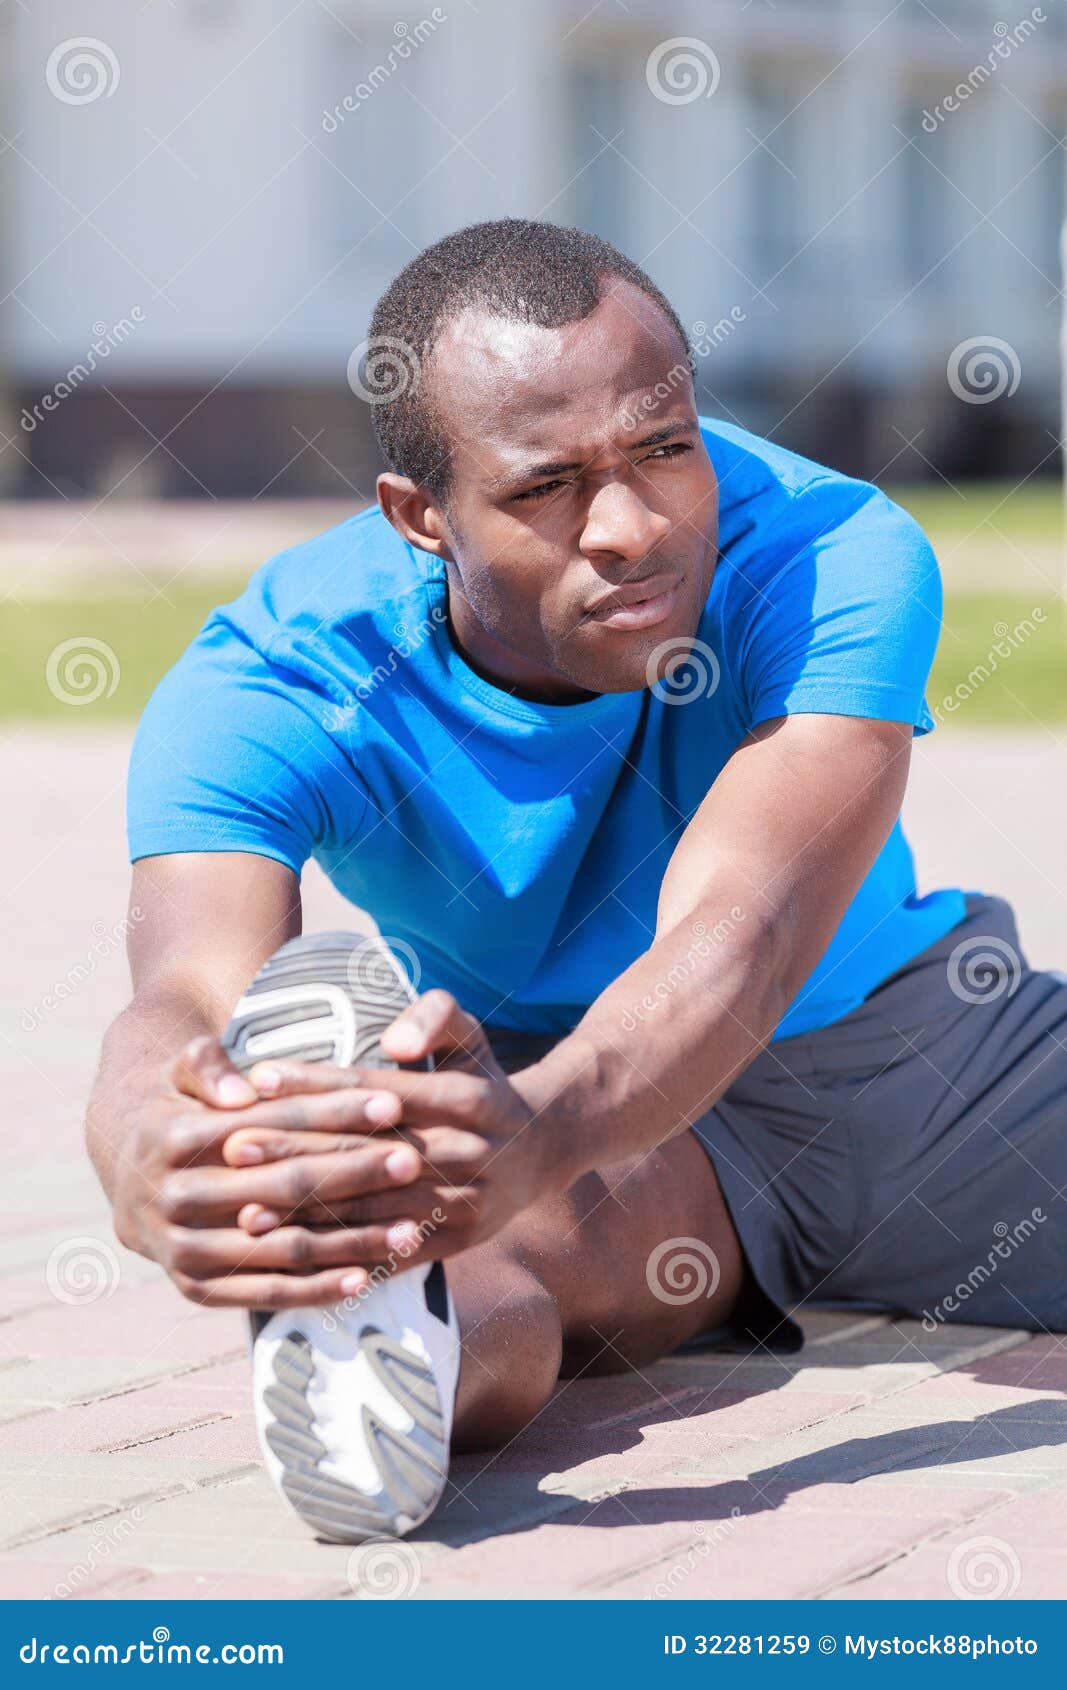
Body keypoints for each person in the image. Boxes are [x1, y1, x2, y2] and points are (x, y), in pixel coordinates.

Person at [87, 219, 1067, 1544]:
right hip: (588, 1113)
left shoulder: (831, 550)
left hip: (910, 1061)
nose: (634, 528)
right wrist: (157, 1137)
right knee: (463, 1243)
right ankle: (391, 1343)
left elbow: (749, 926)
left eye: (667, 448)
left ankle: (419, 1254)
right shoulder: (280, 677)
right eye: (548, 486)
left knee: (494, 1183)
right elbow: (195, 987)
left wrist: (543, 1124)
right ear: (418, 515)